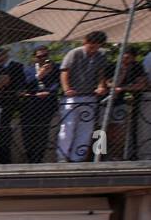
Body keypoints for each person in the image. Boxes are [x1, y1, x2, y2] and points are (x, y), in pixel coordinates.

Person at [58, 30, 110, 162]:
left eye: (97, 47)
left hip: (89, 96)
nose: (93, 50)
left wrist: (100, 86)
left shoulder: (101, 55)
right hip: (73, 96)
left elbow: (101, 73)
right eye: (91, 46)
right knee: (67, 128)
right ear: (85, 42)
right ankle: (62, 157)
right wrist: (66, 89)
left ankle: (77, 157)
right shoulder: (74, 53)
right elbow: (64, 72)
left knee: (86, 129)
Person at [21, 45, 61, 163]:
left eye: (45, 56)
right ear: (34, 58)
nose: (43, 58)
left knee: (42, 133)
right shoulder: (28, 69)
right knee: (28, 132)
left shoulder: (54, 69)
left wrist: (48, 91)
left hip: (46, 105)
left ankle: (39, 158)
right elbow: (26, 84)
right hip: (31, 104)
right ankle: (30, 157)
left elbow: (57, 84)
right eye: (40, 56)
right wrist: (40, 75)